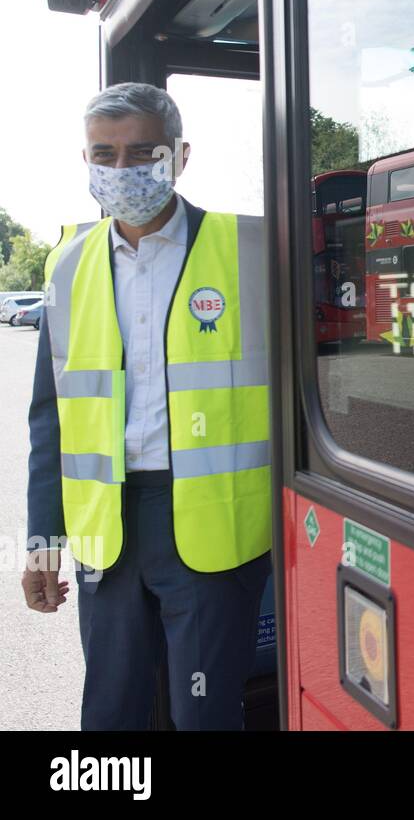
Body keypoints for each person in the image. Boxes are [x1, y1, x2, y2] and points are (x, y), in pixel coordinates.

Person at [20, 83, 273, 728]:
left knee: (205, 712)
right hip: (106, 524)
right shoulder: (67, 266)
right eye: (104, 154)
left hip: (213, 523)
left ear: (180, 156)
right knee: (110, 709)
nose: (121, 170)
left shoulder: (251, 253)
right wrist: (45, 542)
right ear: (86, 160)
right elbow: (50, 417)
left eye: (141, 153)